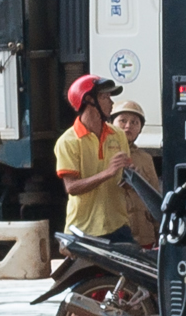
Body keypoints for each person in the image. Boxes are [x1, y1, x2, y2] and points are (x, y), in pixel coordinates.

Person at [52, 73, 143, 246]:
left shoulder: (117, 135)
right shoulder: (68, 141)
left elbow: (122, 179)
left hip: (118, 225)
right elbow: (72, 188)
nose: (111, 102)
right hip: (83, 231)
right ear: (88, 100)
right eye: (104, 97)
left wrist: (131, 179)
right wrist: (108, 173)